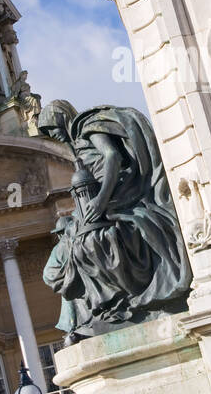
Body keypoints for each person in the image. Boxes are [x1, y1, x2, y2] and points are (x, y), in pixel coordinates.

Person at [37, 100, 192, 344]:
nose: (53, 136)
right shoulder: (76, 145)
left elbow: (111, 157)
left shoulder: (86, 127)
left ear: (61, 118)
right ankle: (92, 315)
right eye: (48, 134)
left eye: (52, 129)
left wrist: (100, 200)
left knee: (89, 244)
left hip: (117, 197)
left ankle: (112, 307)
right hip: (102, 202)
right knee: (62, 259)